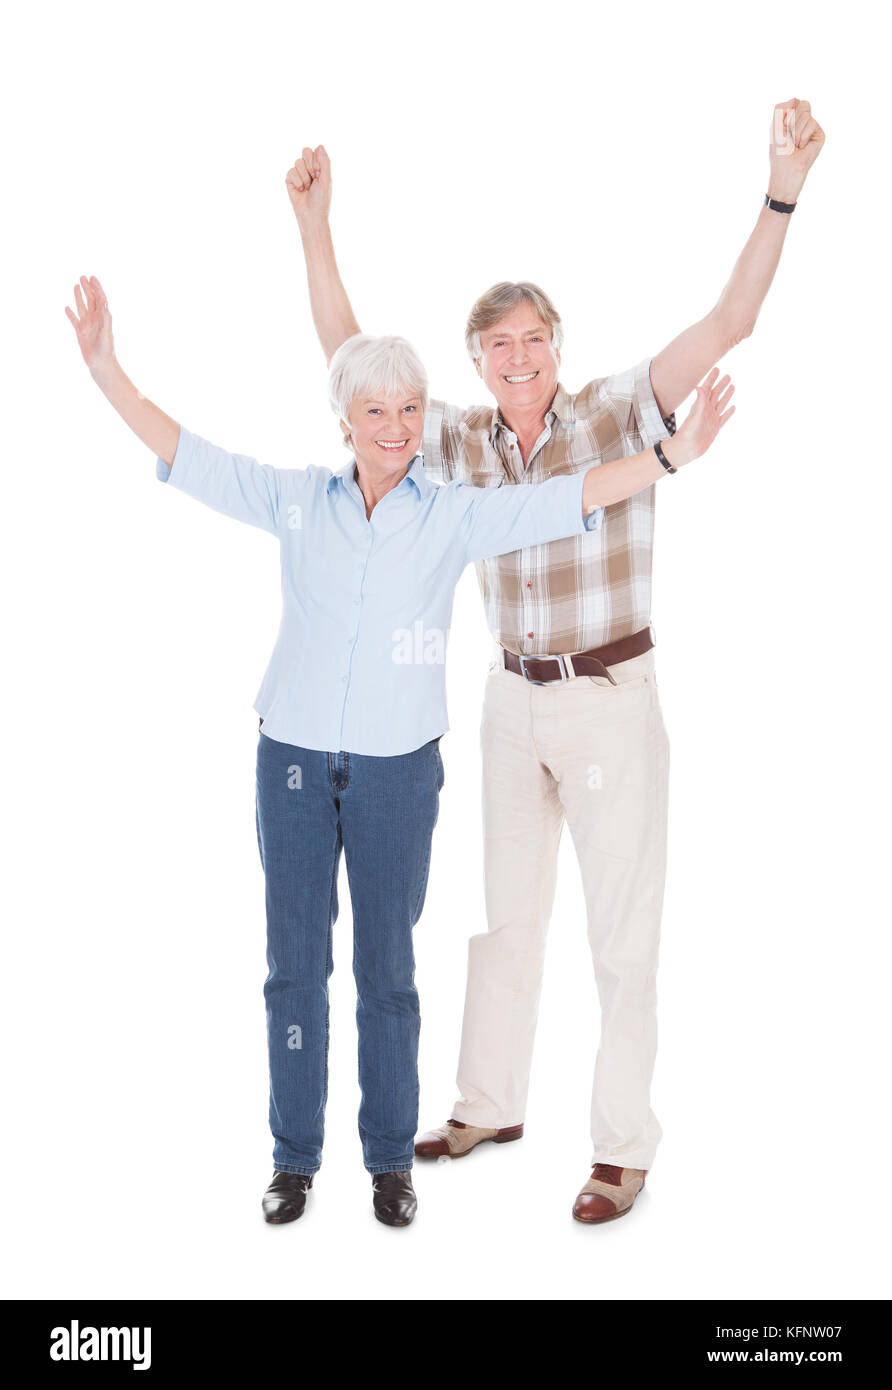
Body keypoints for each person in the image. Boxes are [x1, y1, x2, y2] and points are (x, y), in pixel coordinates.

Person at [288, 95, 823, 1224]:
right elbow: (349, 360)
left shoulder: (620, 411)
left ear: (556, 348)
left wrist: (780, 187)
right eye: (498, 344)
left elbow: (730, 318)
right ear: (478, 362)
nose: (517, 356)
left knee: (622, 931)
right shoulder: (459, 439)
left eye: (533, 337)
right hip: (507, 700)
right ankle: (488, 1102)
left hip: (608, 697)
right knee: (504, 915)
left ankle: (622, 1147)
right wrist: (315, 227)